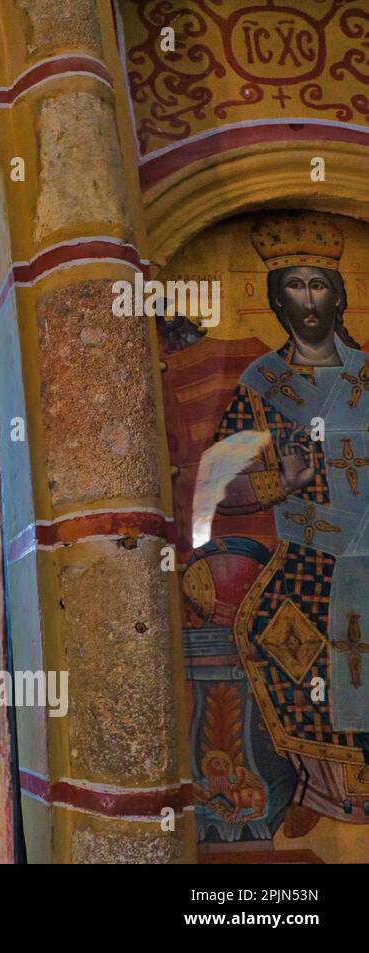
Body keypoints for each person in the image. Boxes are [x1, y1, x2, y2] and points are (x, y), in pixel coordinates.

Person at [210, 212, 369, 835]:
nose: (310, 300)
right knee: (273, 633)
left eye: (321, 284)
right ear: (276, 298)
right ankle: (328, 793)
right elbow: (222, 485)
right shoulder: (260, 384)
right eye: (295, 286)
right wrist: (284, 481)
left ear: (340, 293)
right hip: (308, 554)